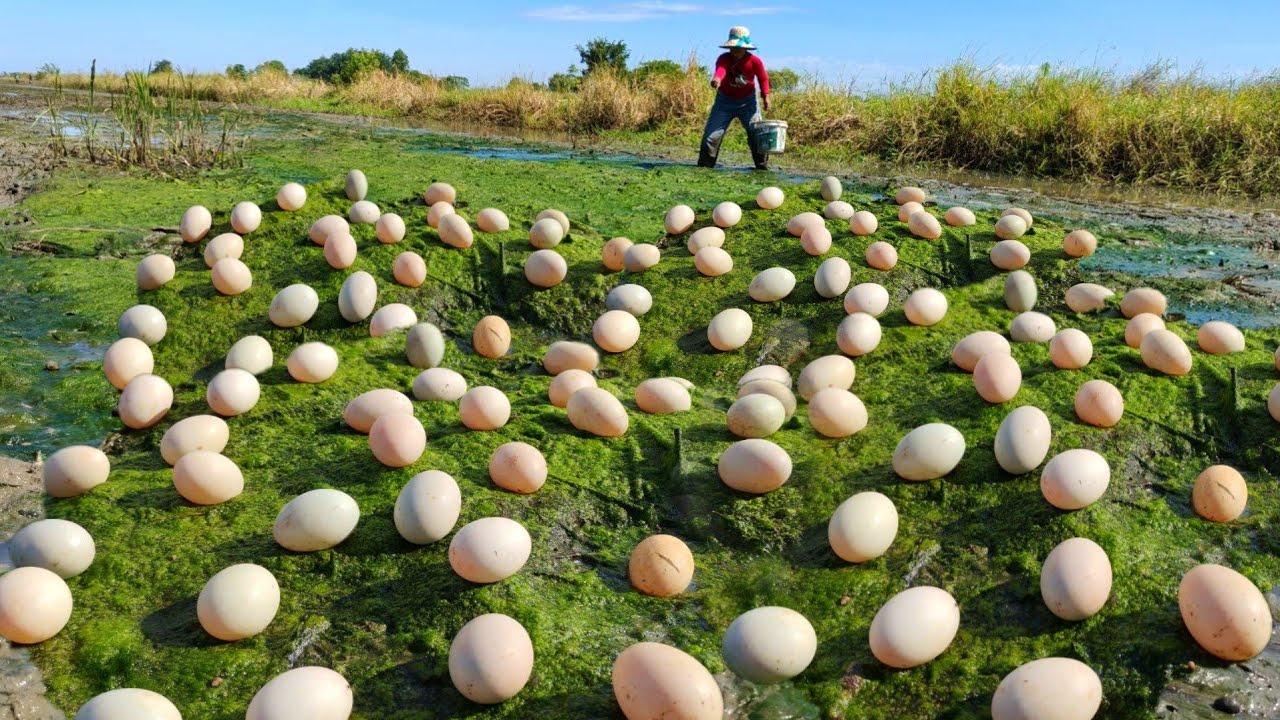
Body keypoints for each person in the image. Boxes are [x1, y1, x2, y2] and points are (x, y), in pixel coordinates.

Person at [698, 26, 771, 170]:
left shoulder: (755, 61)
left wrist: (766, 96)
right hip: (724, 102)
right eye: (732, 49)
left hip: (748, 103)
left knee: (756, 134)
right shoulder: (724, 58)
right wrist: (717, 79)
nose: (735, 52)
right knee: (711, 136)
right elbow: (721, 69)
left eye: (738, 49)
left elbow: (763, 79)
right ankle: (705, 166)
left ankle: (761, 167)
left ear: (745, 48)